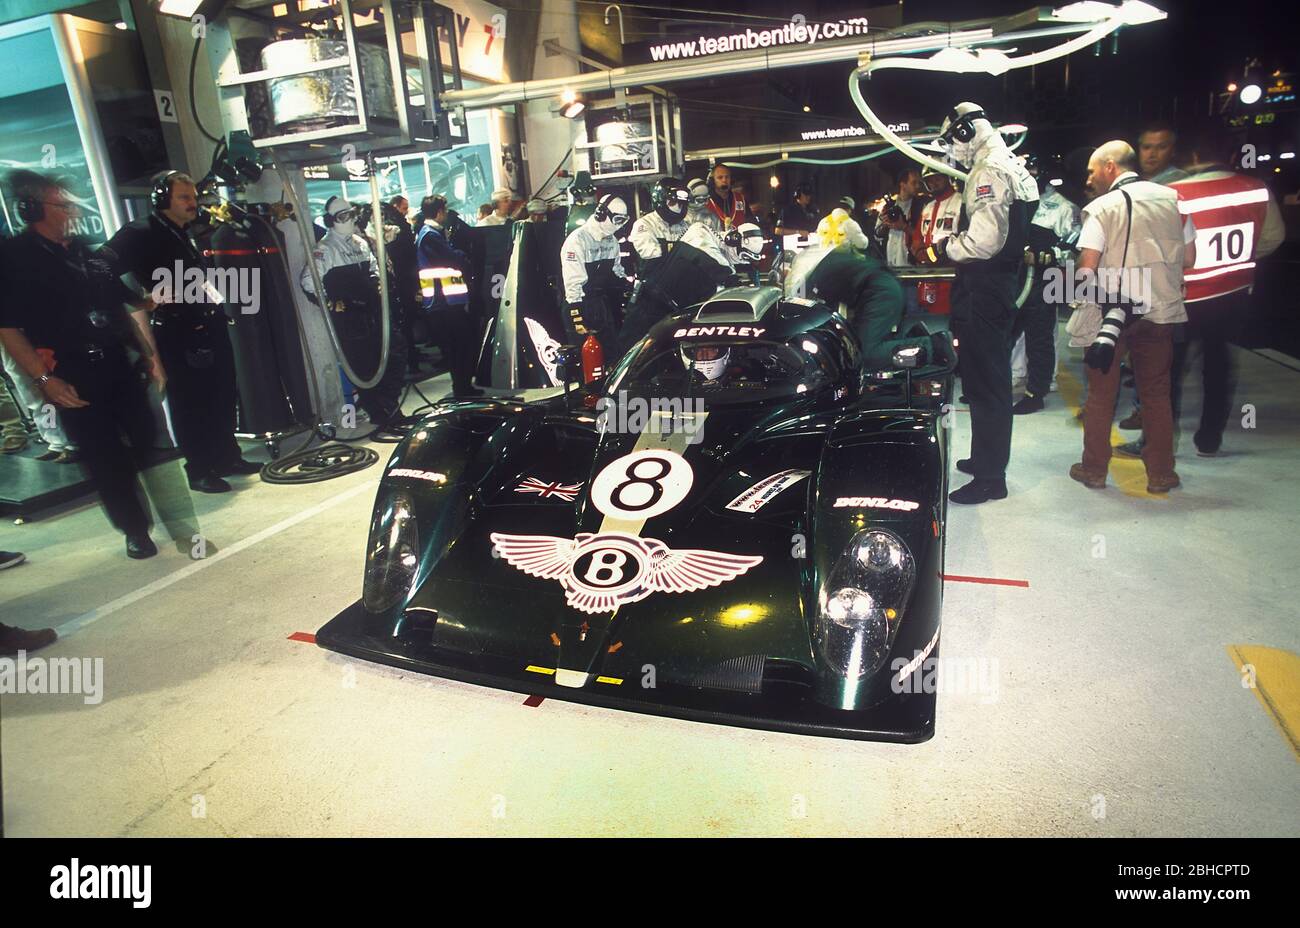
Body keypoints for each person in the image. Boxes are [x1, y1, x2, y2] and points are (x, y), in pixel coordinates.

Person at [0, 172, 162, 558]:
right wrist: (44, 379)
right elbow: (7, 327)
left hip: (118, 365)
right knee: (104, 455)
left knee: (143, 435)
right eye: (63, 205)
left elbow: (119, 305)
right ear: (33, 209)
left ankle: (124, 483)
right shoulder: (14, 259)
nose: (72, 212)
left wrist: (145, 352)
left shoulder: (87, 253)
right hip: (70, 374)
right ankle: (134, 528)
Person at [915, 102, 1039, 504]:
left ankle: (990, 478)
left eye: (954, 141)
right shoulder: (1012, 165)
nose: (953, 151)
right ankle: (984, 458)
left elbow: (983, 241)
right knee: (986, 377)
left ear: (967, 132)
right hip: (999, 284)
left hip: (985, 285)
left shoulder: (988, 170)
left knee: (987, 384)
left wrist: (943, 247)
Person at [107, 171, 258, 493]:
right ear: (163, 200)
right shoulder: (141, 233)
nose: (193, 203)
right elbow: (99, 266)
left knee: (221, 393)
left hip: (209, 324)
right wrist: (139, 300)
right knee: (190, 402)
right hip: (178, 332)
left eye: (193, 196)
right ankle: (200, 468)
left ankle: (226, 456)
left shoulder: (184, 232)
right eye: (184, 197)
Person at [1069, 140, 1194, 494]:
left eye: (1093, 171)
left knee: (1100, 396)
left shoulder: (1102, 207)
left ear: (1111, 167)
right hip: (1161, 310)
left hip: (1113, 313)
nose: (1091, 179)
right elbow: (1188, 259)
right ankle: (1161, 474)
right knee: (1156, 393)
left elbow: (1087, 268)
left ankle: (1094, 469)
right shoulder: (1174, 200)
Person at [1165, 135, 1285, 456]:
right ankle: (1209, 438)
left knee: (1170, 370)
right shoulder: (1256, 188)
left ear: (1190, 155)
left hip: (1186, 297)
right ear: (1229, 154)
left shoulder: (1175, 193)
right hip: (1232, 293)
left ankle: (1162, 440)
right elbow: (1273, 237)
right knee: (1218, 367)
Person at [300, 196, 409, 429]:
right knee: (365, 367)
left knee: (395, 354)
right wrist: (331, 303)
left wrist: (378, 286)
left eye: (351, 214)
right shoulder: (325, 249)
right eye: (342, 216)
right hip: (351, 320)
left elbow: (375, 268)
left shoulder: (359, 242)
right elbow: (309, 282)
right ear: (331, 221)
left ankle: (389, 405)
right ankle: (380, 413)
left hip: (373, 312)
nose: (349, 220)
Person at [791, 215, 928, 368]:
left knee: (866, 354)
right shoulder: (816, 257)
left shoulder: (803, 268)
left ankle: (931, 346)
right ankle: (914, 337)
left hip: (878, 291)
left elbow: (797, 305)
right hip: (880, 288)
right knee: (856, 345)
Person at [615, 221, 761, 357]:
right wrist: (731, 278)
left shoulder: (723, 266)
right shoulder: (700, 233)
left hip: (673, 317)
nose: (742, 260)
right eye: (742, 254)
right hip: (648, 307)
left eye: (747, 258)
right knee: (631, 359)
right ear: (733, 238)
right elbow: (710, 257)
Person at [1010, 153, 1082, 414]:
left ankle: (1035, 392)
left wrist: (1050, 254)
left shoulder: (1062, 207)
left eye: (1031, 167)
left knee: (1039, 337)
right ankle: (998, 383)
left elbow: (1077, 246)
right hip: (1013, 278)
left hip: (1045, 278)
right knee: (1003, 332)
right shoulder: (1013, 200)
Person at [415, 195, 482, 399]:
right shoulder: (430, 236)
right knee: (458, 347)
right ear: (438, 212)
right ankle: (462, 389)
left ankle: (463, 386)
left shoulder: (432, 234)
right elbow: (452, 259)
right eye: (444, 210)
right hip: (443, 302)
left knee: (459, 346)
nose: (446, 214)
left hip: (447, 301)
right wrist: (463, 255)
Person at [560, 194, 630, 341]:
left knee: (612, 350)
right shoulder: (577, 240)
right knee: (585, 355)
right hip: (578, 302)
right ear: (601, 215)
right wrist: (576, 313)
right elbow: (573, 281)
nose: (620, 225)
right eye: (617, 220)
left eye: (623, 221)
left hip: (600, 303)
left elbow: (617, 270)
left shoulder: (612, 241)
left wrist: (627, 285)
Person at [910, 165, 963, 315]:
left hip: (952, 277)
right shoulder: (928, 207)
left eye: (937, 179)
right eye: (929, 180)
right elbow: (917, 239)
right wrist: (922, 254)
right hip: (929, 276)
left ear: (947, 177)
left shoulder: (960, 202)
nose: (933, 183)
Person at [629, 178, 689, 280]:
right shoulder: (644, 224)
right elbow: (651, 253)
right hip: (652, 285)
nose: (678, 207)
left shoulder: (686, 225)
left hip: (680, 282)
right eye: (673, 202)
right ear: (661, 200)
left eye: (681, 203)